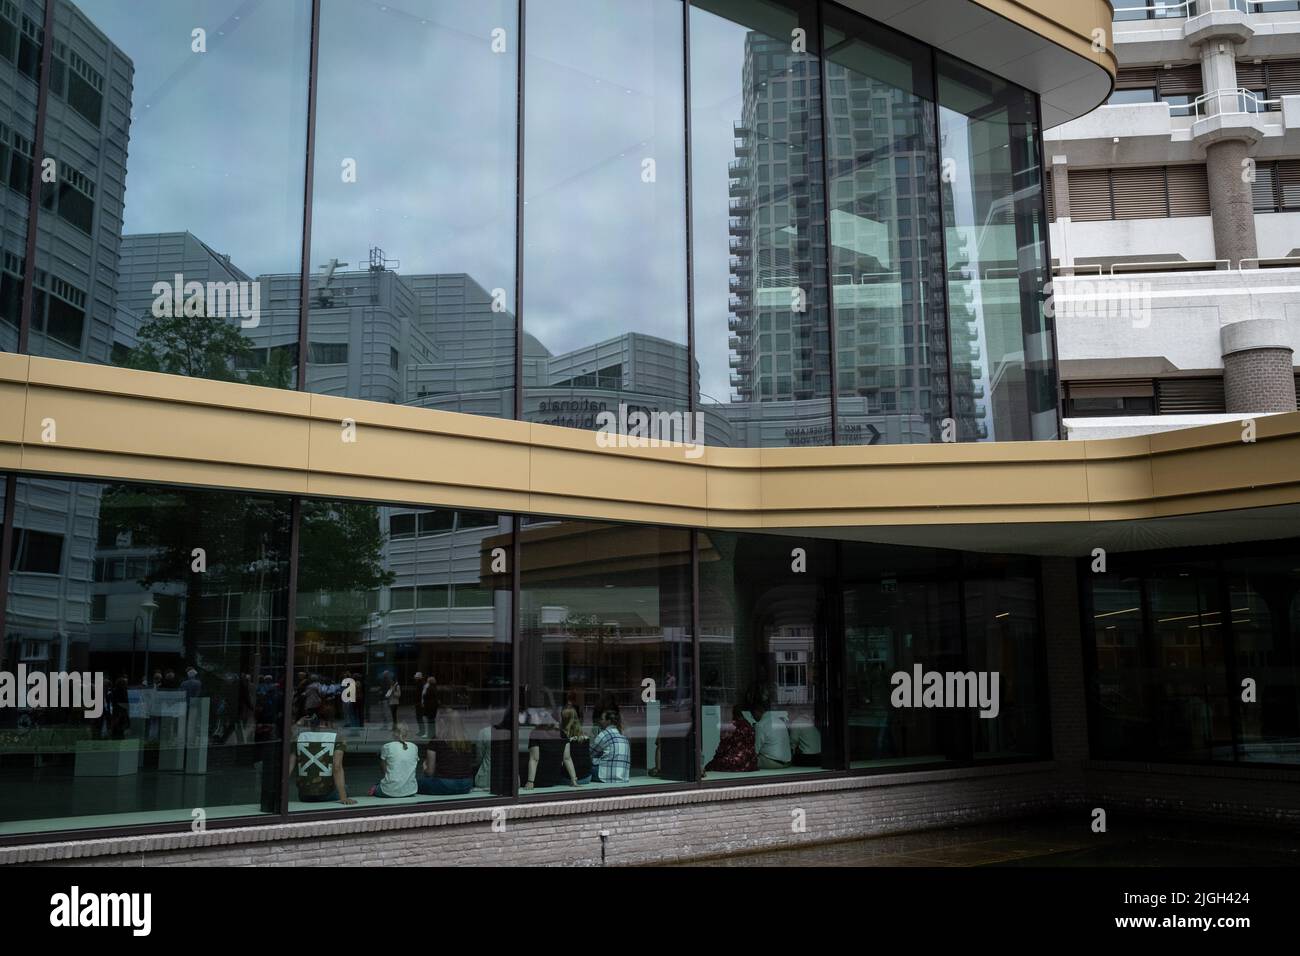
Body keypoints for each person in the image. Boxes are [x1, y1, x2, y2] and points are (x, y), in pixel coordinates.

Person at [290, 699, 355, 805]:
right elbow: (337, 766)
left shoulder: (299, 737)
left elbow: (289, 766)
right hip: (327, 794)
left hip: (304, 795)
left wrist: (298, 723)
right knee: (346, 787)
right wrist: (344, 798)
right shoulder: (338, 738)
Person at [524, 706, 588, 789]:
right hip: (554, 779)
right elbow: (567, 758)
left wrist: (530, 782)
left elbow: (534, 759)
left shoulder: (535, 733)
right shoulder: (562, 734)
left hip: (538, 780)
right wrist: (573, 780)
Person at [419, 709, 479, 796]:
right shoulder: (466, 740)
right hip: (467, 785)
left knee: (415, 784)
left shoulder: (437, 740)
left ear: (444, 722)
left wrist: (424, 767)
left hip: (445, 784)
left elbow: (430, 772)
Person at [704, 704, 758, 774]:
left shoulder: (730, 726)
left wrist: (712, 762)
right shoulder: (747, 724)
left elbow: (723, 748)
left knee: (710, 766)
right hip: (751, 763)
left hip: (735, 763)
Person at [369, 723, 419, 798]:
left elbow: (384, 770)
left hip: (389, 791)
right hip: (411, 790)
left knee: (376, 787)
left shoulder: (387, 746)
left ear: (393, 733)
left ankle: (375, 788)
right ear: (407, 733)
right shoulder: (414, 747)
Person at [589, 708, 630, 784]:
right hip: (623, 776)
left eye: (602, 719)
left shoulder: (605, 734)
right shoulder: (623, 735)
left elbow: (590, 753)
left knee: (582, 767)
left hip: (606, 776)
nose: (600, 722)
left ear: (608, 721)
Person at [752, 702, 792, 770]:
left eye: (753, 714)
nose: (753, 717)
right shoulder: (780, 721)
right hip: (787, 762)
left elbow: (755, 750)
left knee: (745, 760)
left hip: (772, 763)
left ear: (757, 711)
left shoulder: (760, 725)